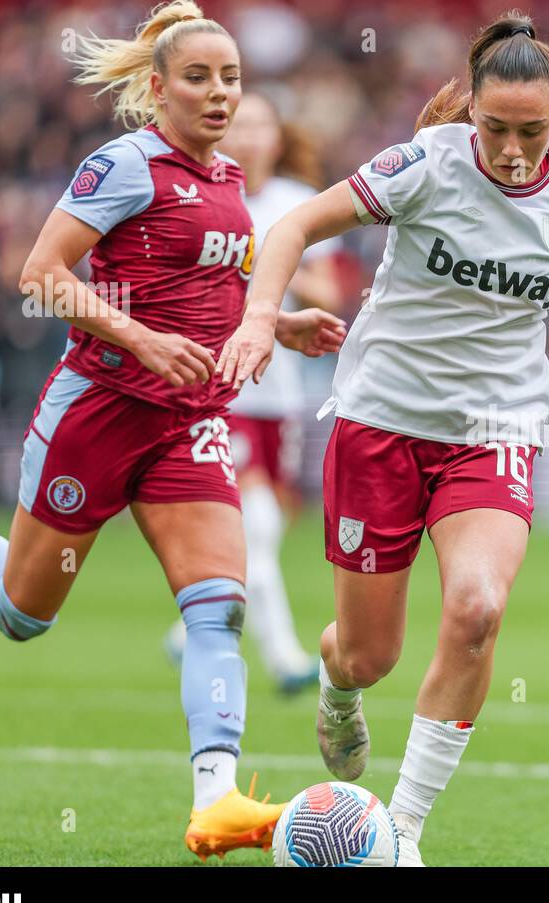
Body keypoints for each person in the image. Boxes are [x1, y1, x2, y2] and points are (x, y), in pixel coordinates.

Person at [0, 1, 343, 860]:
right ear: (157, 88)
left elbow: (211, 283)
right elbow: (40, 274)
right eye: (198, 78)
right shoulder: (124, 165)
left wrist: (282, 323)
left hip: (187, 422)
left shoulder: (231, 181)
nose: (219, 94)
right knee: (21, 616)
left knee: (218, 608)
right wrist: (138, 338)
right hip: (96, 413)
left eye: (231, 78)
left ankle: (217, 798)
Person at [215, 10, 549, 865]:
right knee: (368, 656)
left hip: (497, 430)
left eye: (533, 131)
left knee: (478, 606)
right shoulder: (422, 166)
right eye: (495, 128)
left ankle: (400, 830)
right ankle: (337, 692)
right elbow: (292, 227)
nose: (513, 149)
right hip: (380, 423)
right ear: (469, 112)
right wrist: (261, 318)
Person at [163, 91, 345, 693]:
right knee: (256, 522)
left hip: (281, 389)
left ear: (276, 137)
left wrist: (278, 268)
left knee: (269, 521)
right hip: (221, 385)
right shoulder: (205, 195)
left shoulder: (300, 204)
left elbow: (330, 293)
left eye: (261, 126)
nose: (248, 136)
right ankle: (286, 656)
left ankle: (190, 626)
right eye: (239, 126)